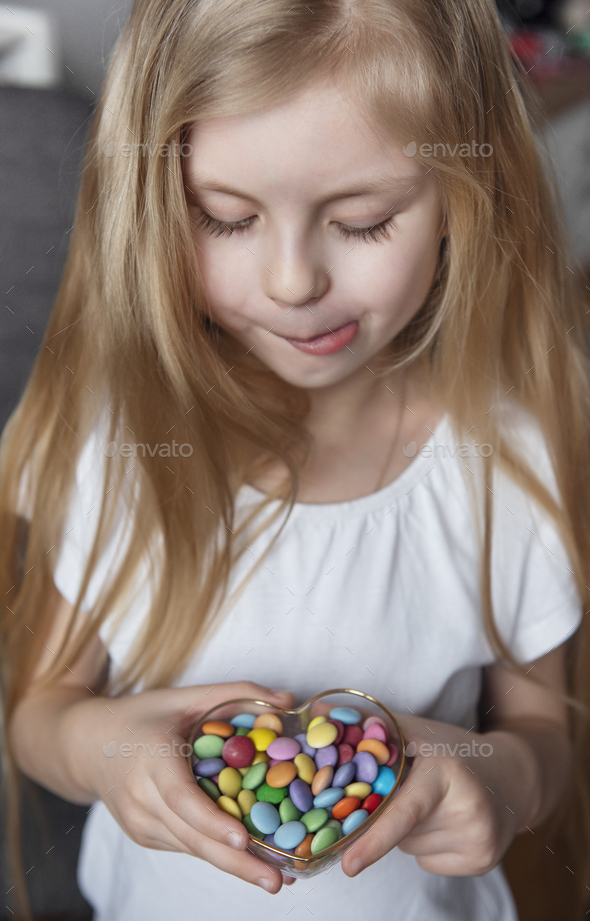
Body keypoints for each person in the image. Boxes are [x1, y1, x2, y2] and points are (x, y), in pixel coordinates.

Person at [1, 0, 589, 919]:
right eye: (226, 218)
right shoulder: (120, 449)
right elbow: (42, 715)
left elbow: (541, 731)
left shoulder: (507, 461)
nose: (292, 281)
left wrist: (496, 779)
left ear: (466, 194)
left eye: (363, 220)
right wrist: (109, 751)